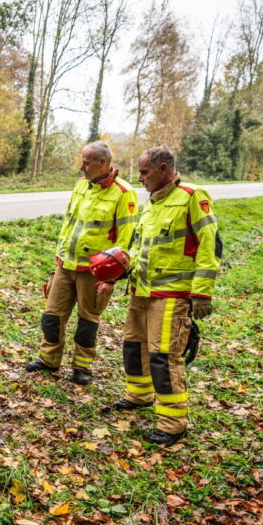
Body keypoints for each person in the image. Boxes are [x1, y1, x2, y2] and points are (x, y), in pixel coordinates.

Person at [103, 146, 221, 446]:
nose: (139, 178)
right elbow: (141, 248)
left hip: (172, 295)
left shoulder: (193, 197)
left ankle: (172, 423)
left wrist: (201, 294)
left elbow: (209, 248)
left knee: (163, 357)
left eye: (144, 172)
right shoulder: (151, 203)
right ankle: (138, 395)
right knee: (133, 347)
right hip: (140, 290)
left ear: (165, 169)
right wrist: (116, 273)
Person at [25, 142, 139, 385]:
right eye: (82, 161)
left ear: (103, 163)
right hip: (65, 265)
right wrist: (59, 256)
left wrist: (111, 278)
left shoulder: (123, 192)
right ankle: (48, 359)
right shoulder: (80, 186)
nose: (82, 167)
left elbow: (126, 239)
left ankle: (81, 367)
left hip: (95, 272)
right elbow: (69, 224)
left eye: (87, 163)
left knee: (87, 323)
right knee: (52, 316)